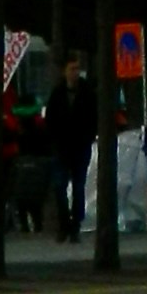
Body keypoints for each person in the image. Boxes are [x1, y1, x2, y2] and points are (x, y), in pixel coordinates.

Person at [46, 53, 95, 243]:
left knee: (79, 187)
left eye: (77, 68)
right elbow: (50, 119)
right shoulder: (57, 94)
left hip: (80, 146)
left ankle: (74, 225)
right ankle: (64, 223)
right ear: (65, 71)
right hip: (61, 148)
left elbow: (92, 117)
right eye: (71, 69)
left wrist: (88, 137)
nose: (75, 73)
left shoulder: (87, 92)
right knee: (59, 186)